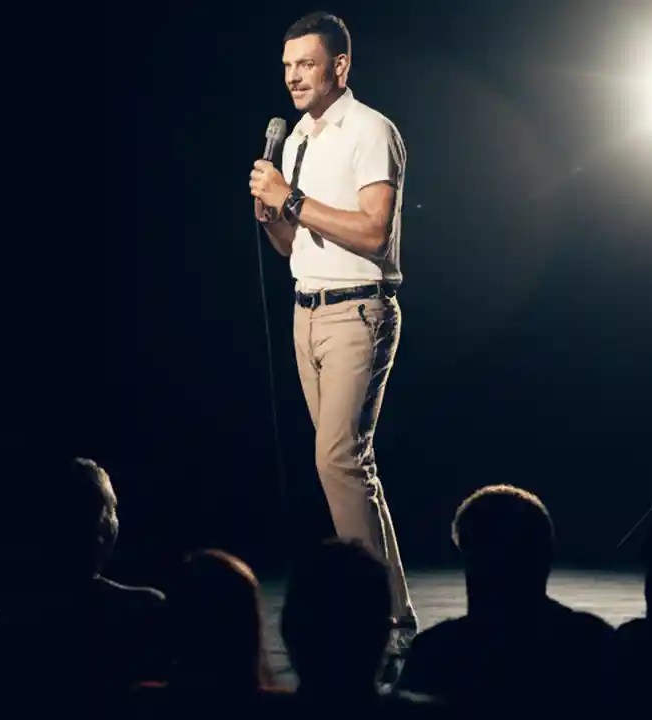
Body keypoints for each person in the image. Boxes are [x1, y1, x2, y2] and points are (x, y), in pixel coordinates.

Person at [248, 11, 416, 638]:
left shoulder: (370, 130)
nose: (293, 77)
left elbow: (374, 232)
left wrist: (290, 199)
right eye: (287, 65)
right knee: (351, 468)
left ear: (339, 66)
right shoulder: (294, 140)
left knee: (337, 461)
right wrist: (272, 216)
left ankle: (368, 619)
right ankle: (394, 614)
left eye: (306, 64)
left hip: (359, 310)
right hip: (307, 311)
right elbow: (294, 247)